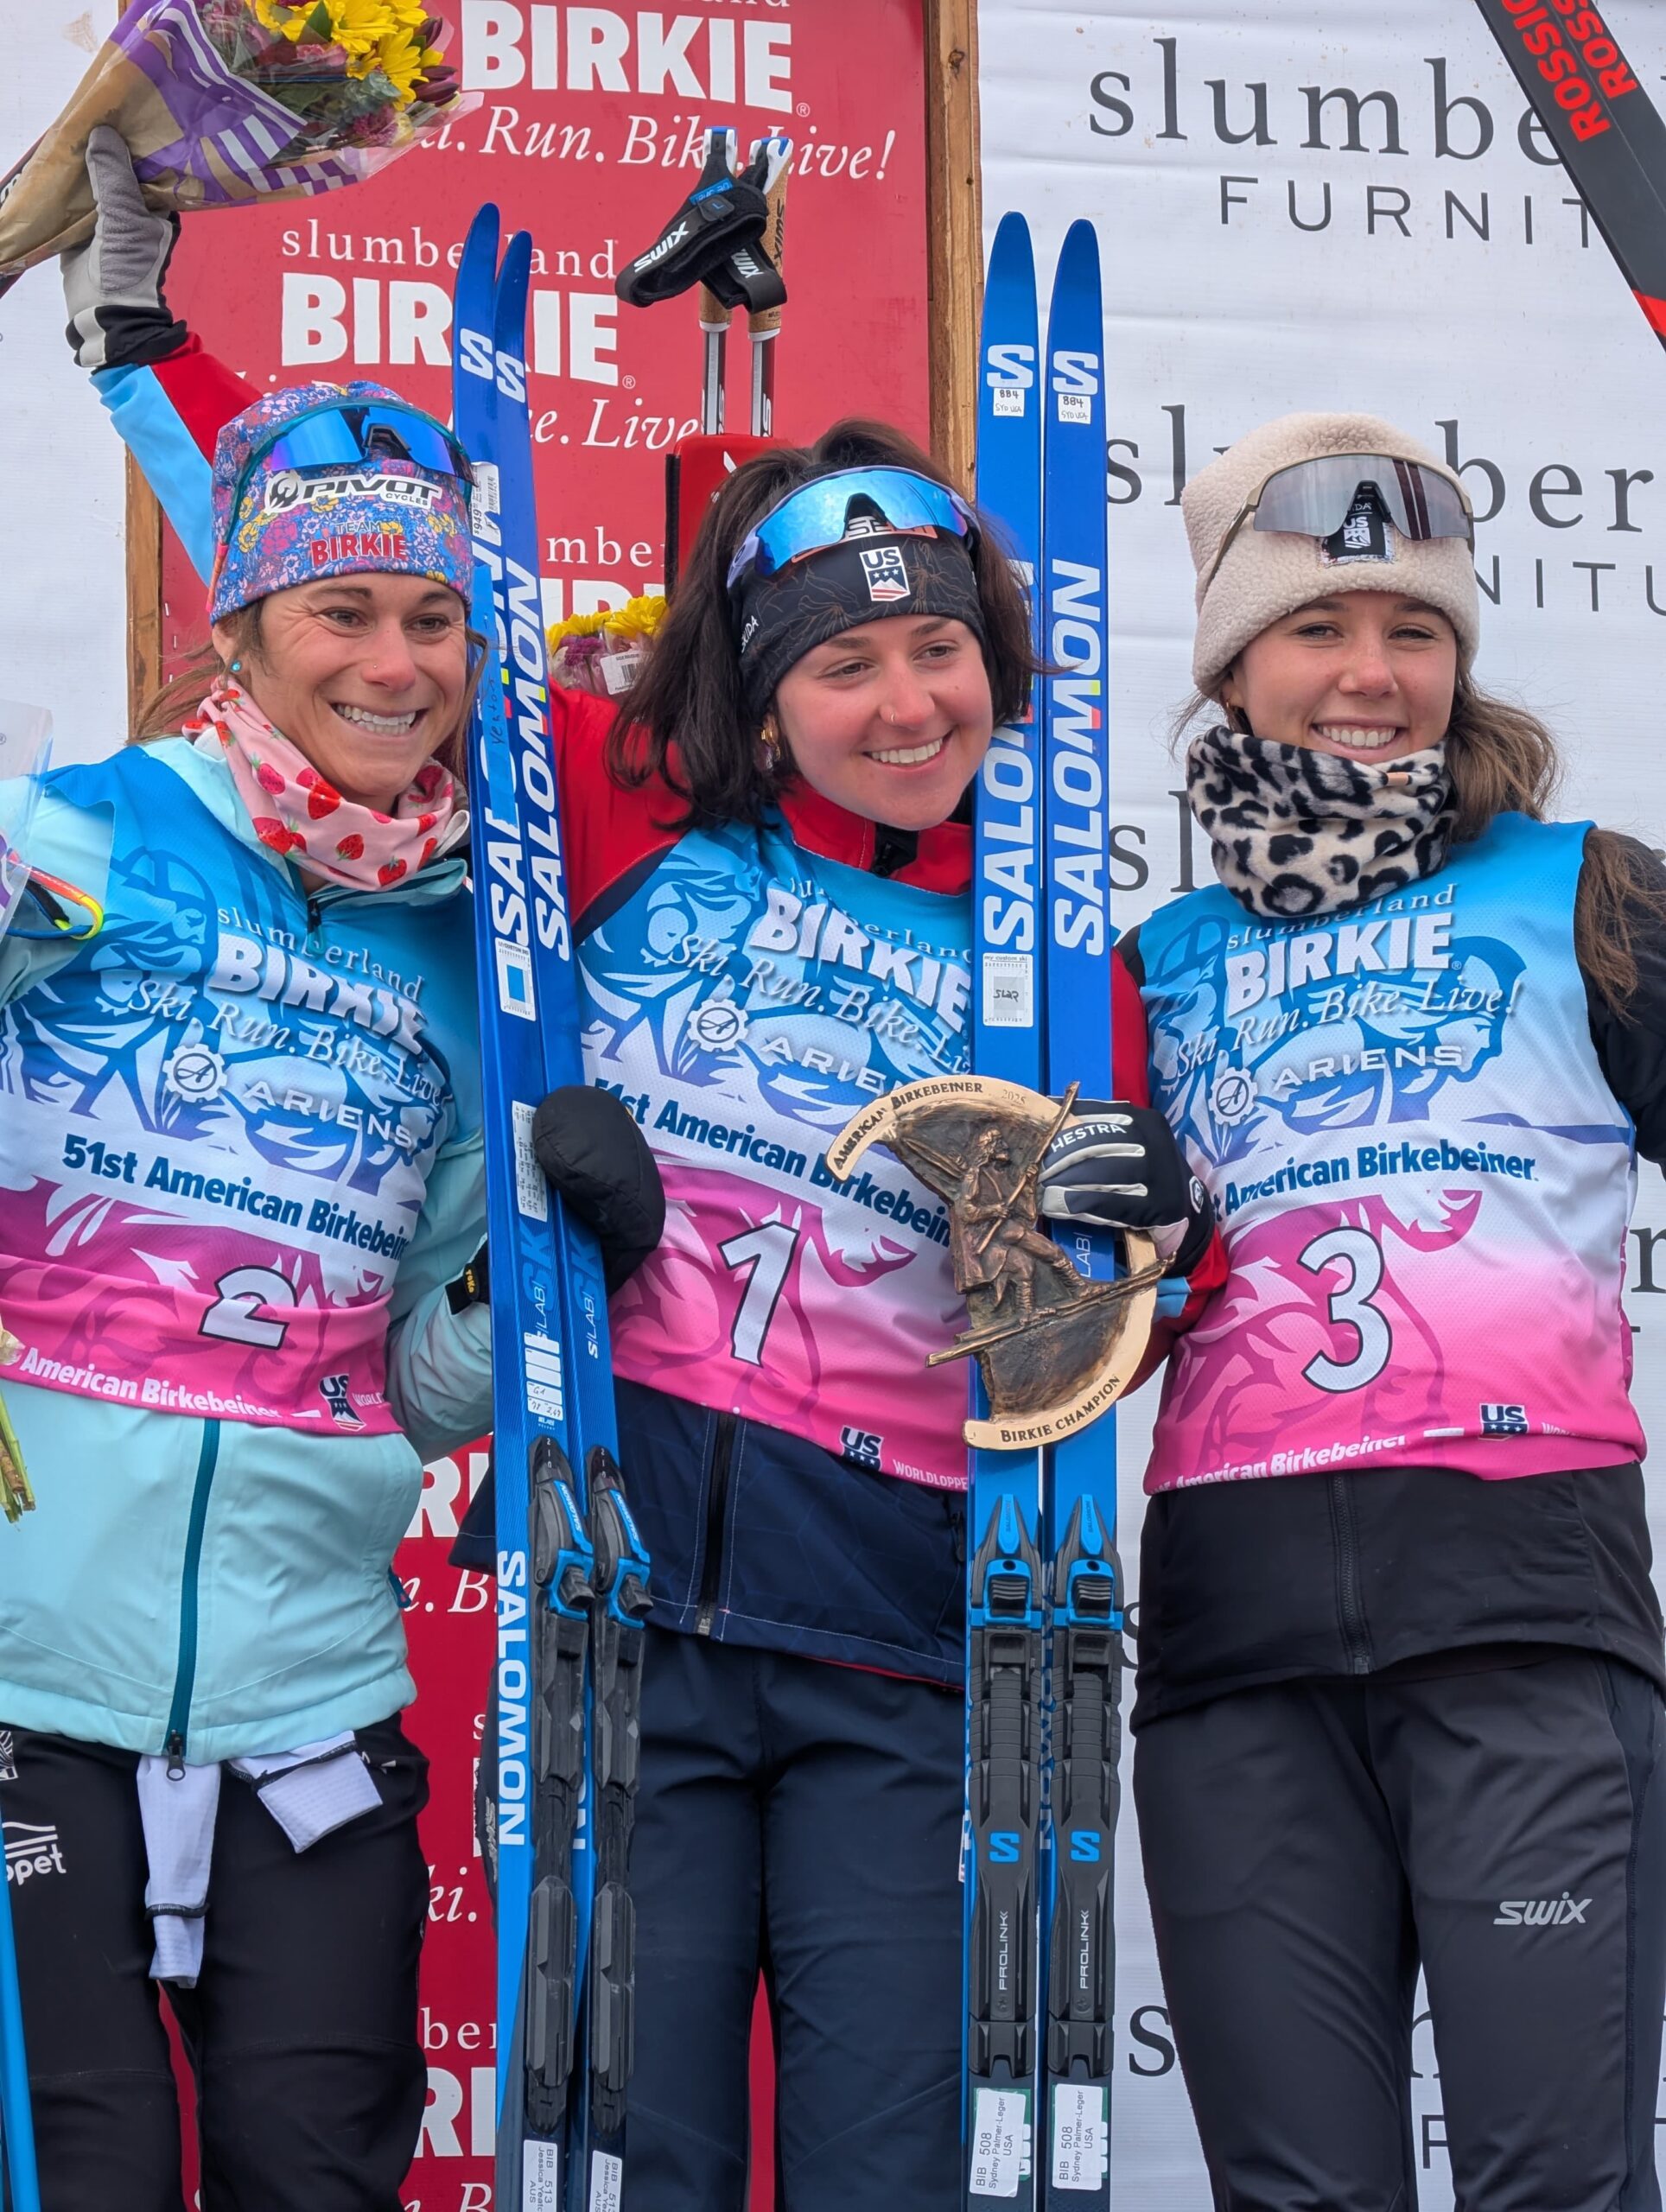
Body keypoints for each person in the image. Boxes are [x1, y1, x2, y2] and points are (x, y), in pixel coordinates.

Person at [76, 141, 1224, 2205]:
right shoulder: (624, 814)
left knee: (891, 2152)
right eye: (845, 663)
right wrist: (158, 346)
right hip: (626, 1608)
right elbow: (383, 621)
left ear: (996, 664)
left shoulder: (1060, 958)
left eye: (939, 654)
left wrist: (1158, 1242)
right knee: (641, 2147)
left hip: (906, 1629)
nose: (903, 700)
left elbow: (1097, 1331)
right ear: (765, 690)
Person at [0, 133, 658, 2212]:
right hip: (25, 1670)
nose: (396, 661)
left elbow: (422, 1384)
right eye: (344, 613)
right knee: (80, 2168)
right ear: (245, 623)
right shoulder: (79, 834)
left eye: (434, 619)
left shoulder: (475, 951)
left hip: (311, 1698)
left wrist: (547, 1271)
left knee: (313, 2164)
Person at [1117, 412, 1666, 2211]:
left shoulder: (1587, 894)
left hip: (1522, 1635)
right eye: (1318, 628)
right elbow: (1051, 1312)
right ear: (1232, 665)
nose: (1370, 674)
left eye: (1413, 629)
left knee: (1551, 2185)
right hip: (1238, 1665)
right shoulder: (1150, 972)